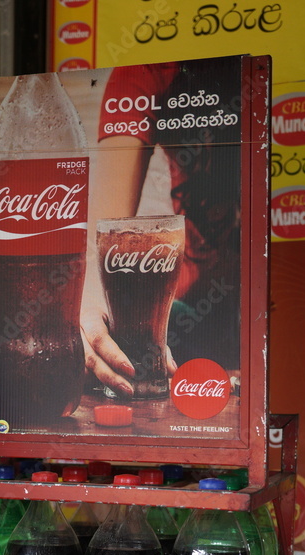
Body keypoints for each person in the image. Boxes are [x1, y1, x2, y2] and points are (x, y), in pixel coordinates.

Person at [81, 63, 241, 397]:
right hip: (193, 310)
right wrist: (89, 316)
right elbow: (102, 239)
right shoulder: (147, 71)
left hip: (270, 296)